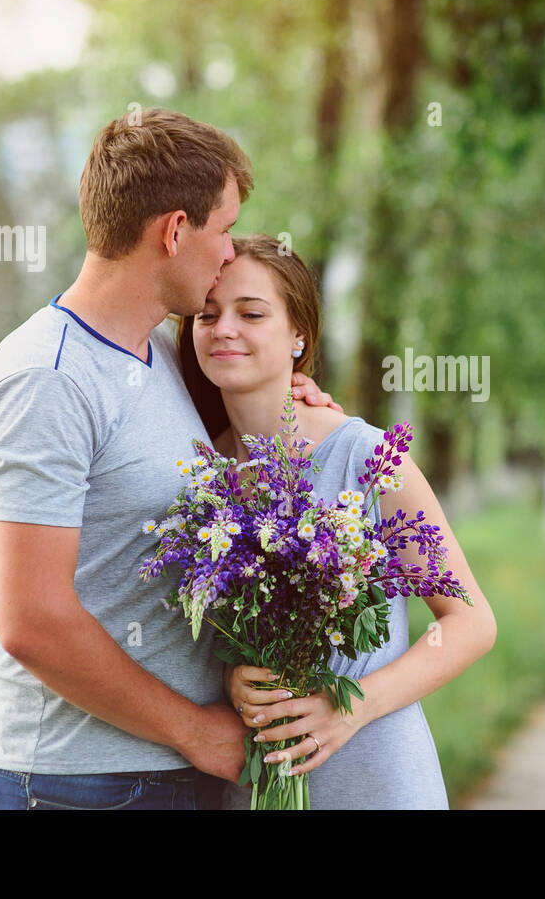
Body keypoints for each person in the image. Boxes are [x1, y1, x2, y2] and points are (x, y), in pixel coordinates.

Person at [0, 109, 341, 810]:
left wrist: (287, 390)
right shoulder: (47, 379)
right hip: (75, 787)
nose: (230, 253)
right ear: (173, 231)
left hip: (169, 779)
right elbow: (31, 621)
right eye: (223, 230)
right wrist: (197, 733)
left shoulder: (159, 355)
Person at [175, 233, 496, 809]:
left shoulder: (367, 456)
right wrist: (232, 681)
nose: (224, 328)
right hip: (256, 782)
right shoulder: (203, 479)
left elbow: (471, 621)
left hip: (377, 778)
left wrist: (351, 705)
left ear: (299, 334)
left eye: (251, 313)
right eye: (207, 314)